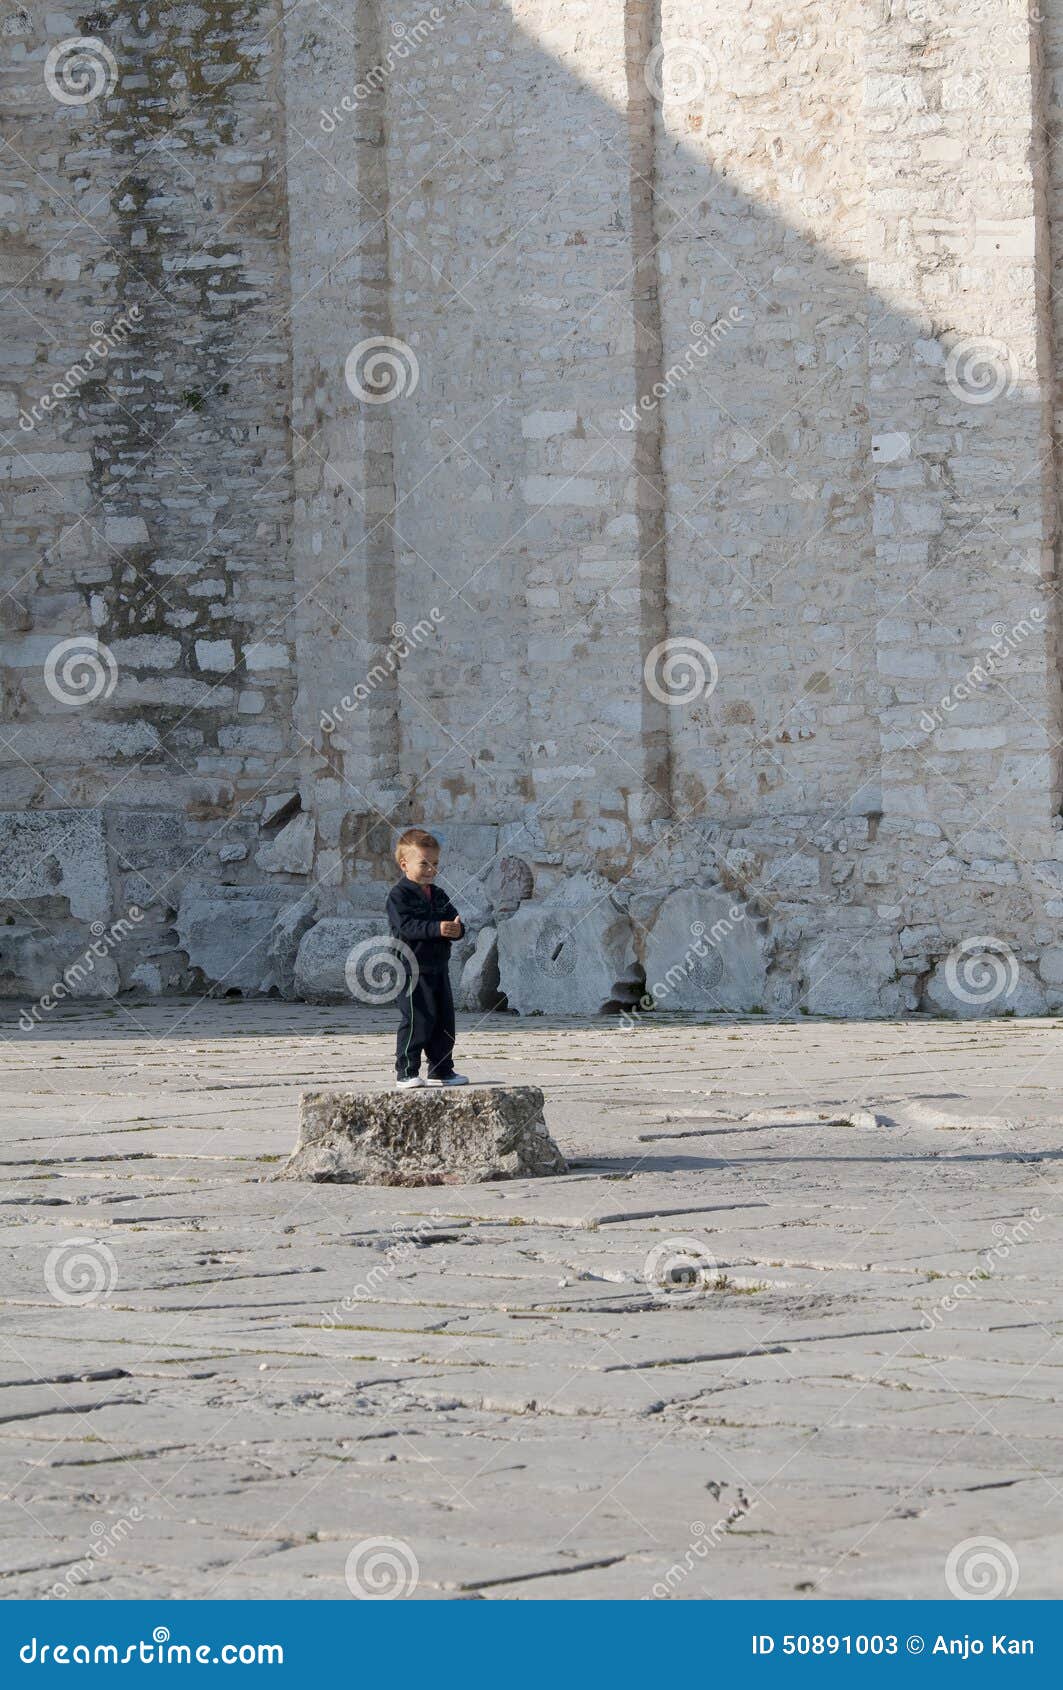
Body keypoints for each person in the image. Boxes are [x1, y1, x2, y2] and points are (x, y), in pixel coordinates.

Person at [386, 828, 469, 1090]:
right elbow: (407, 926)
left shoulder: (440, 895)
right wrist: (437, 929)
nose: (431, 869)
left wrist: (457, 930)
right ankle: (407, 1071)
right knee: (417, 1020)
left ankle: (441, 1069)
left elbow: (453, 920)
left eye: (435, 864)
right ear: (404, 864)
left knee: (444, 1021)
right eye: (424, 863)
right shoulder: (399, 896)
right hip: (411, 970)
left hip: (438, 968)